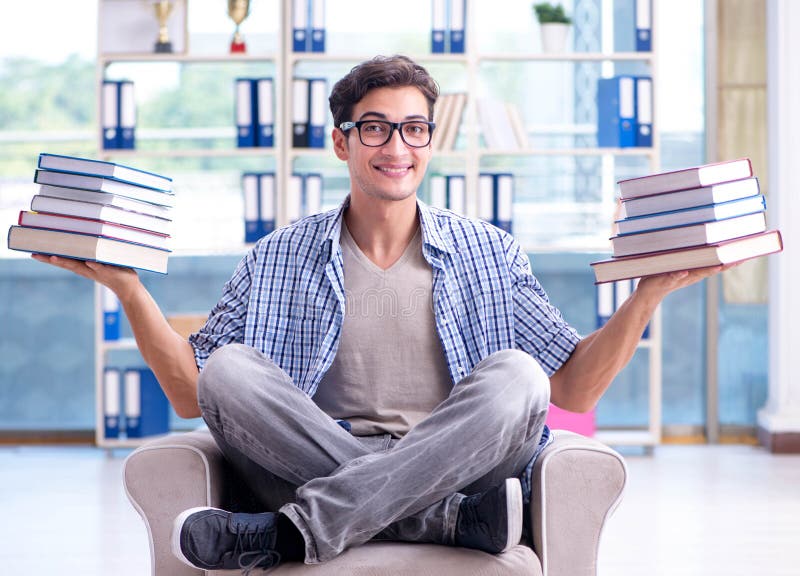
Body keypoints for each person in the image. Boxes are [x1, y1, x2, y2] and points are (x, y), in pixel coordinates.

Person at [34, 55, 726, 572]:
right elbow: (192, 394)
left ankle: (288, 535)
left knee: (519, 373)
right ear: (341, 142)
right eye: (375, 128)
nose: (397, 148)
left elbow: (571, 389)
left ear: (430, 142)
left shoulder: (490, 251)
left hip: (467, 466)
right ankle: (448, 524)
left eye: (414, 129)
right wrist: (129, 290)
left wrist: (646, 296)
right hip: (314, 462)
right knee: (230, 370)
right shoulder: (276, 255)